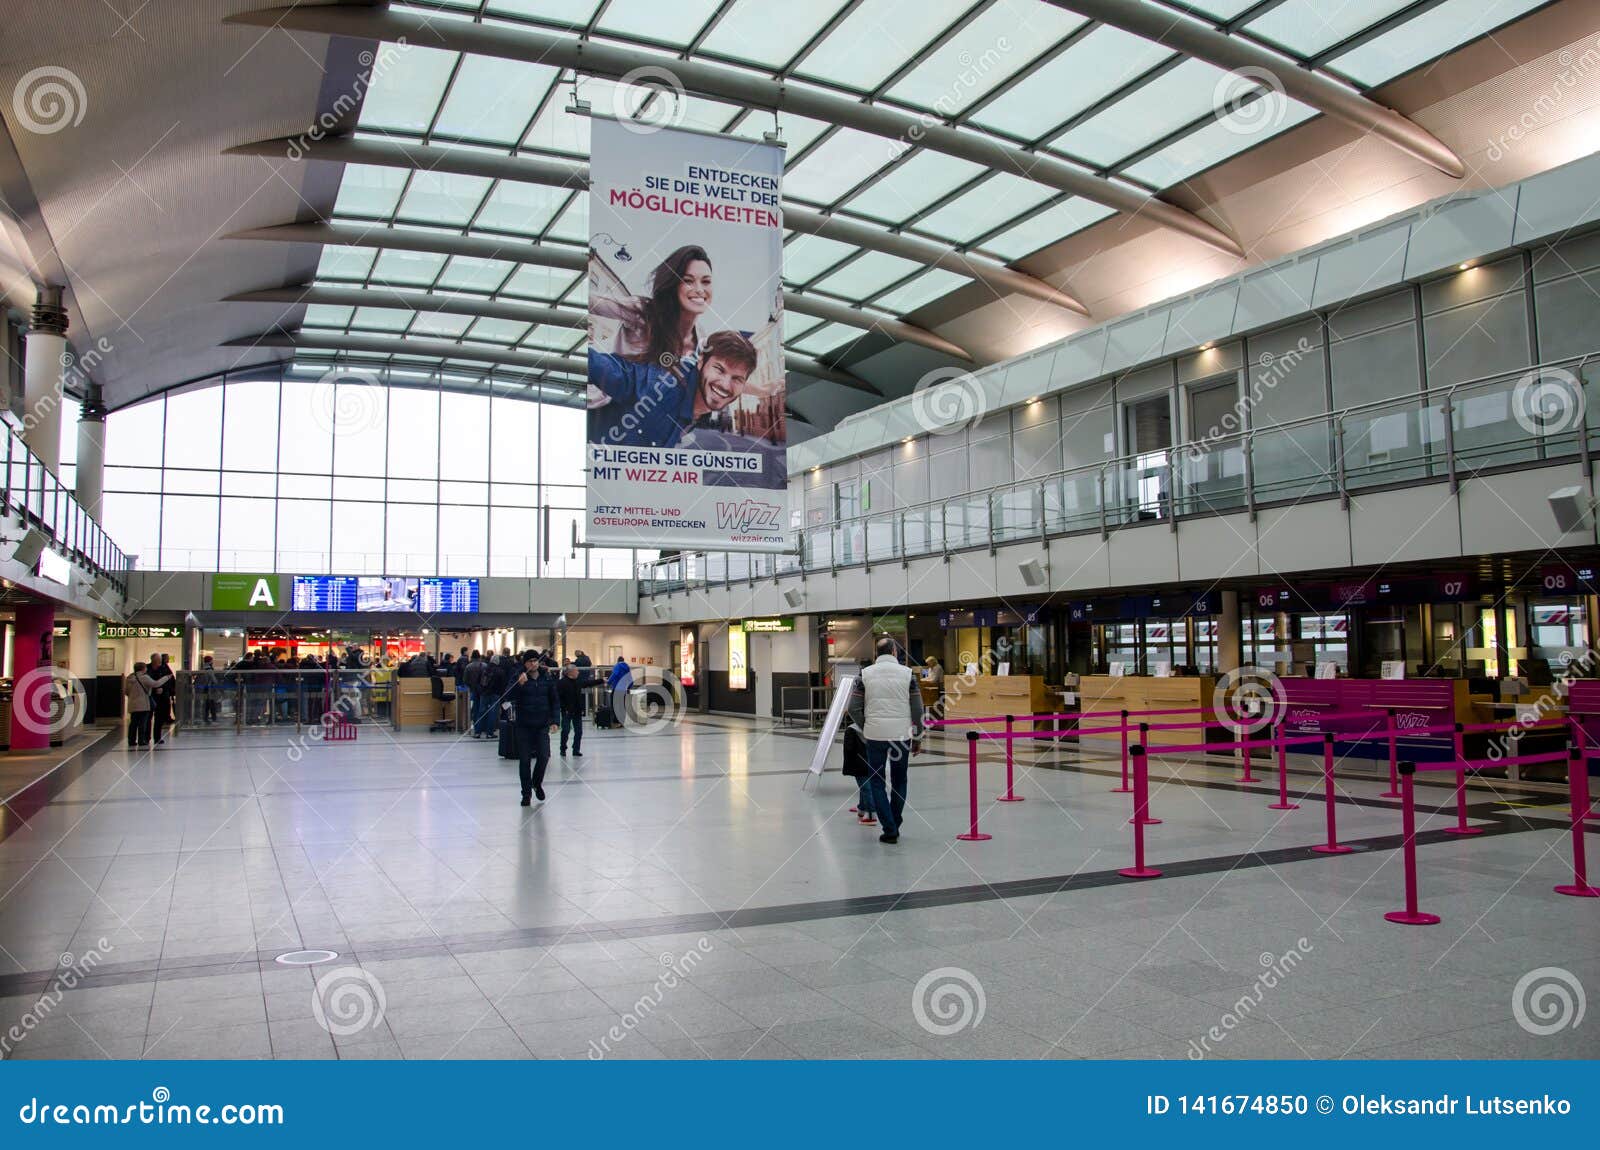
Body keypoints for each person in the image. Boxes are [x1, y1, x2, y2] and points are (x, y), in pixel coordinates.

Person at [588, 330, 761, 449]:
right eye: (719, 369)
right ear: (700, 362)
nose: (725, 384)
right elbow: (597, 364)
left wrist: (764, 391)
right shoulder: (660, 385)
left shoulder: (699, 409)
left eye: (737, 379)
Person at [847, 638, 925, 844]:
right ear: (894, 651)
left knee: (876, 781)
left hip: (875, 736)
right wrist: (917, 736)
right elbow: (918, 709)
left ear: (877, 652)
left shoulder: (864, 675)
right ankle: (895, 821)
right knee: (900, 780)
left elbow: (853, 708)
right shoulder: (908, 674)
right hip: (902, 736)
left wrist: (867, 726)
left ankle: (889, 828)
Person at [591, 243, 711, 371]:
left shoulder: (701, 338)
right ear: (673, 285)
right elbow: (593, 301)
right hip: (608, 387)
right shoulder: (644, 311)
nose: (699, 289)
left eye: (706, 281)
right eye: (688, 280)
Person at [507, 653, 559, 806]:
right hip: (524, 725)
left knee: (544, 756)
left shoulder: (547, 677)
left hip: (542, 724)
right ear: (525, 664)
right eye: (530, 661)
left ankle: (536, 782)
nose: (534, 663)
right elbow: (507, 696)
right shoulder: (518, 676)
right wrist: (519, 685)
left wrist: (555, 720)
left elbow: (554, 701)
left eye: (536, 660)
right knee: (524, 760)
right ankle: (526, 793)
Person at [123, 662, 158, 747]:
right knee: (143, 723)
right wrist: (166, 678)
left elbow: (126, 691)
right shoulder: (145, 677)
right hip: (143, 704)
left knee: (133, 723)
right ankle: (141, 740)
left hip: (133, 704)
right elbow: (155, 684)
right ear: (143, 669)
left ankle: (131, 740)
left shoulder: (129, 678)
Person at [557, 664, 584, 758]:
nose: (578, 672)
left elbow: (588, 683)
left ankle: (576, 749)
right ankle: (563, 749)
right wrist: (564, 708)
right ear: (571, 672)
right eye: (576, 670)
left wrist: (601, 680)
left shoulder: (577, 681)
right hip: (567, 711)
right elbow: (559, 698)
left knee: (579, 731)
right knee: (565, 730)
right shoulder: (562, 683)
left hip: (577, 710)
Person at [148, 653, 176, 745]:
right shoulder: (147, 669)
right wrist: (155, 689)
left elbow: (170, 681)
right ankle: (146, 737)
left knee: (159, 718)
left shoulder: (164, 669)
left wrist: (164, 689)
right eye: (158, 660)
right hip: (150, 696)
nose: (159, 662)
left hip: (162, 697)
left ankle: (157, 737)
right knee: (148, 717)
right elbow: (146, 682)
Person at [607, 656, 632, 728]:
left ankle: (616, 721)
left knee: (615, 704)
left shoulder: (617, 666)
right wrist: (629, 687)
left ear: (617, 661)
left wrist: (608, 682)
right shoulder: (627, 667)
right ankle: (622, 721)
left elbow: (614, 674)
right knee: (622, 705)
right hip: (623, 689)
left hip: (617, 688)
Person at [197, 655, 220, 724]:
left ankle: (206, 717)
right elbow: (214, 680)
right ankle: (213, 718)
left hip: (203, 688)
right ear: (210, 661)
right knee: (211, 703)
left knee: (206, 704)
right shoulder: (209, 669)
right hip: (209, 689)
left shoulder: (202, 668)